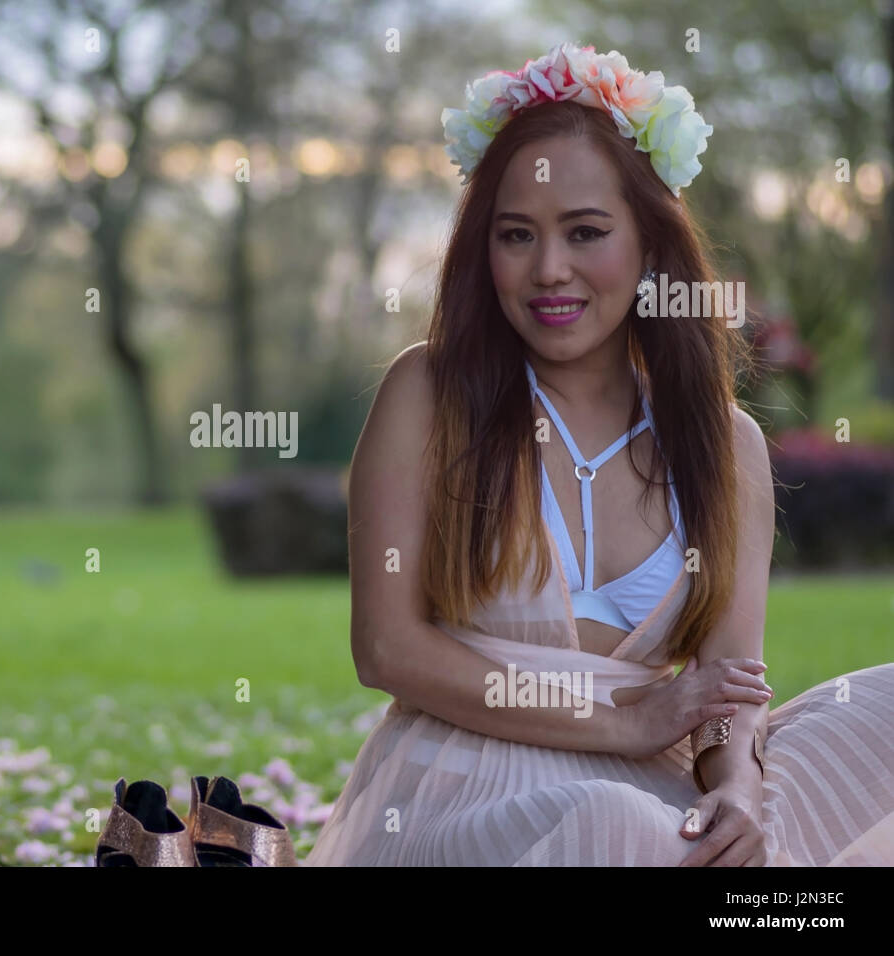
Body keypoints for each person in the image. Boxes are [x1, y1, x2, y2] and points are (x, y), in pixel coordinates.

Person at [302, 43, 894, 866]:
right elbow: (386, 650)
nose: (549, 271)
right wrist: (624, 722)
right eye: (517, 236)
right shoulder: (429, 393)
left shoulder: (727, 445)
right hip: (476, 784)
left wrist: (736, 790)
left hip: (664, 784)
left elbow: (728, 687)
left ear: (650, 246)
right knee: (607, 823)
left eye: (585, 232)